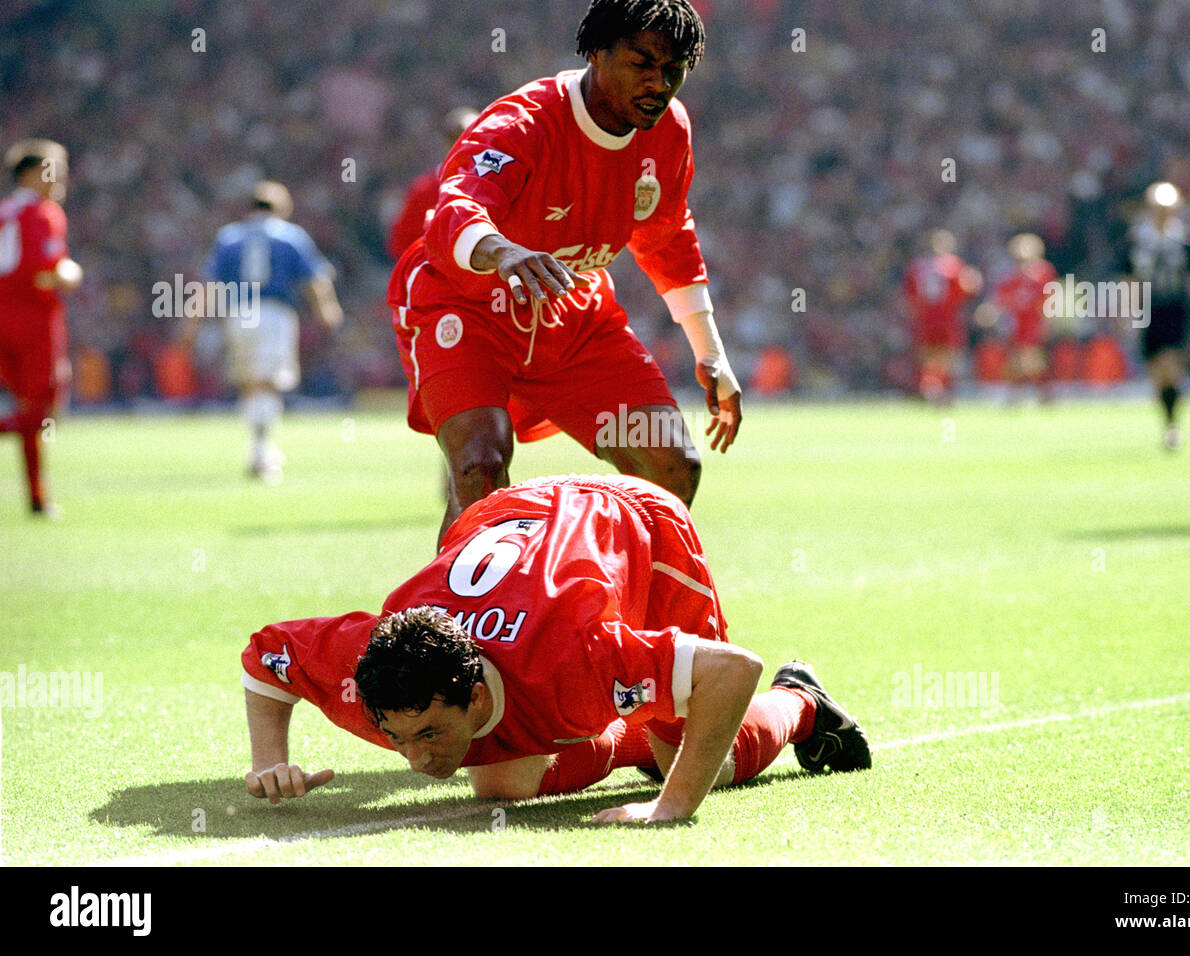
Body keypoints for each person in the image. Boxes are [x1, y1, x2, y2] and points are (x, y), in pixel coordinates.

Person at [240, 474, 870, 823]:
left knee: (713, 761)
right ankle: (638, 726)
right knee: (502, 785)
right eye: (396, 735)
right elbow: (267, 656)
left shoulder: (577, 653)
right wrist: (270, 760)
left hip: (638, 523)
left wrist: (673, 805)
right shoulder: (372, 665)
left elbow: (735, 671)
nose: (414, 760)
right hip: (507, 514)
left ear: (477, 694)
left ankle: (802, 702)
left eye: (429, 733)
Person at [387, 0, 742, 544]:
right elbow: (455, 208)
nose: (658, 83)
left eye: (673, 70)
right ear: (597, 53)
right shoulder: (524, 122)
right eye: (641, 63)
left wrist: (709, 349)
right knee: (480, 467)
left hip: (571, 313)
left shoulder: (668, 130)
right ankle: (464, 625)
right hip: (467, 306)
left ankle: (613, 611)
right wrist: (503, 252)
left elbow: (668, 236)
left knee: (673, 464)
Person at [183, 180, 342, 483]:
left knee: (250, 383)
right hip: (274, 312)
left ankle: (259, 448)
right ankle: (262, 454)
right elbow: (316, 279)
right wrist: (327, 311)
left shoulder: (230, 236)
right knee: (268, 383)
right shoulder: (290, 235)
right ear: (281, 208)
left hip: (239, 313)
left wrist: (192, 324)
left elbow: (209, 286)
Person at [0, 138, 81, 517]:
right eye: (54, 168)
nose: (61, 176)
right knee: (45, 411)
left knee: (29, 409)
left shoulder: (4, 212)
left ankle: (37, 496)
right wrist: (70, 272)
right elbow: (46, 271)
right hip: (31, 320)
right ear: (32, 174)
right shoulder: (43, 213)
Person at [1118, 182, 1190, 450]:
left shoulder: (1187, 239)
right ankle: (1169, 421)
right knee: (1157, 374)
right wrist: (1127, 313)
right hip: (1149, 310)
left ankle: (1173, 426)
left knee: (1172, 367)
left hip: (1177, 308)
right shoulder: (1136, 239)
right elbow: (1129, 280)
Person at [387, 106, 480, 261]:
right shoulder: (424, 190)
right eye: (458, 138)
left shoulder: (499, 181)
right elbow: (400, 244)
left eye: (474, 137)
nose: (467, 144)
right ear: (447, 142)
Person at [902, 229, 982, 403]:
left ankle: (930, 388)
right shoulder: (954, 265)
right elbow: (968, 289)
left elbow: (909, 296)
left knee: (928, 357)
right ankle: (942, 391)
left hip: (925, 318)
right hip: (947, 317)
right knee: (948, 356)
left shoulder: (918, 266)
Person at [991, 233, 1057, 402]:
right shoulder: (1011, 275)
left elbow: (1048, 299)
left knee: (1028, 359)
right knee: (1020, 360)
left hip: (1033, 321)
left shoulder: (1043, 272)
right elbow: (1002, 300)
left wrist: (1048, 321)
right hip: (1015, 322)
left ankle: (1036, 393)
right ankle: (1035, 393)